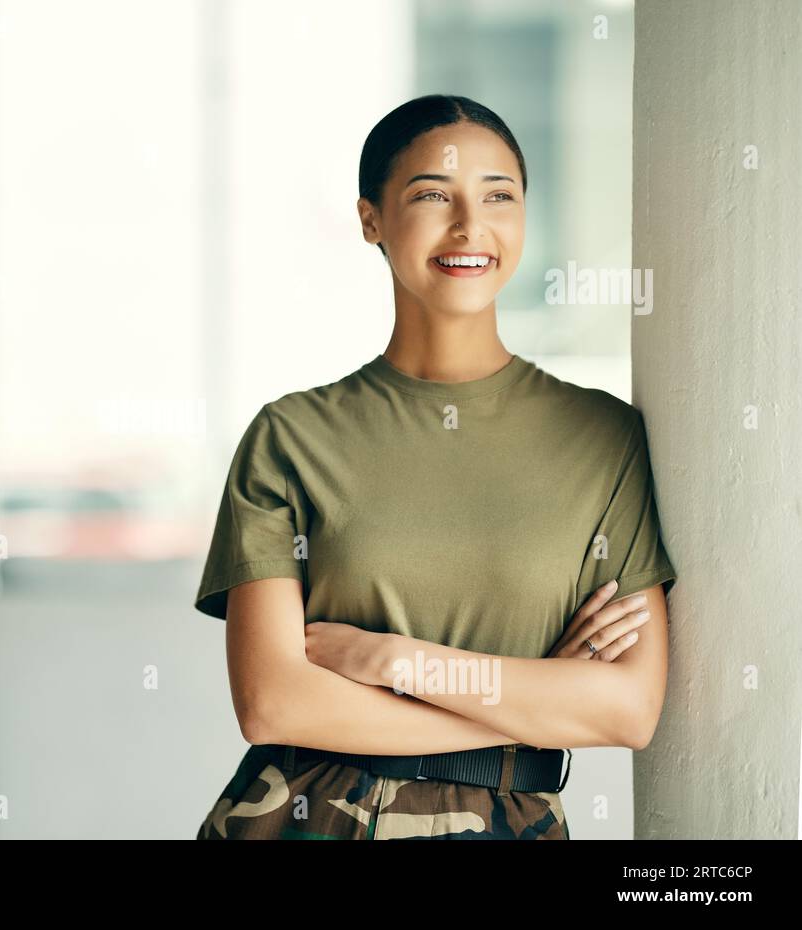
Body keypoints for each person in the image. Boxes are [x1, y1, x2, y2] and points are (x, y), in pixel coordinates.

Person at [192, 94, 677, 840]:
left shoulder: (603, 438)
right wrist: (528, 703)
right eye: (430, 195)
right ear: (370, 220)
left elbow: (628, 709)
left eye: (498, 196)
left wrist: (389, 659)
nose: (469, 226)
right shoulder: (290, 437)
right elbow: (273, 704)